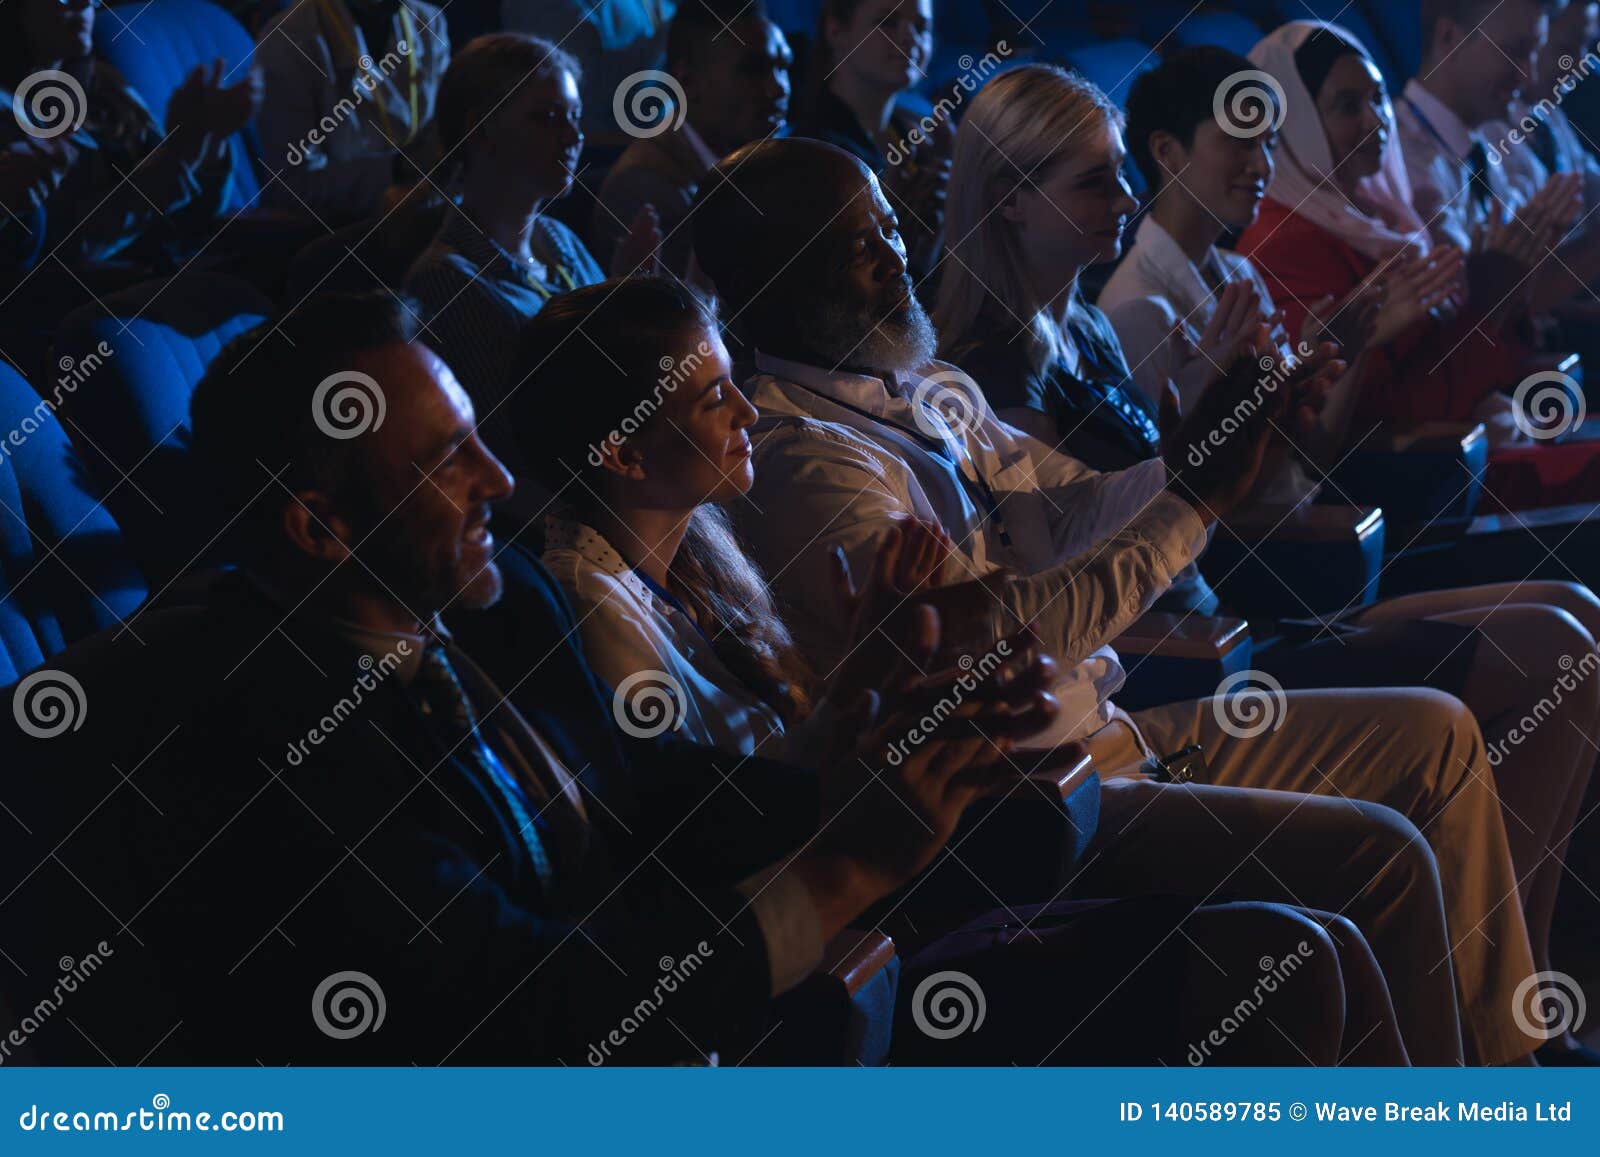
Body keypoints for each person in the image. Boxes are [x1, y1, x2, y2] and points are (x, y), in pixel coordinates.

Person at [3, 290, 1076, 1065]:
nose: (500, 479)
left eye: (478, 438)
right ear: (318, 526)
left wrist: (872, 765)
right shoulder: (256, 739)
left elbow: (638, 793)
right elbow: (529, 1009)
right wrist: (842, 870)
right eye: (445, 460)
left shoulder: (495, 599)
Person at [692, 134, 1551, 1065]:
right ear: (777, 276)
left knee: (1436, 733)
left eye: (892, 228)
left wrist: (1208, 449)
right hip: (1033, 802)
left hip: (1111, 724)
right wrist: (1196, 499)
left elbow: (1071, 509)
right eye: (856, 244)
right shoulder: (805, 462)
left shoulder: (923, 384)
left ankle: (1509, 1063)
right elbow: (1012, 641)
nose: (895, 256)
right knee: (1381, 852)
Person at [508, 274, 1412, 1066]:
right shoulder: (594, 608)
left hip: (940, 858)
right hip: (865, 941)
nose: (744, 409)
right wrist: (898, 686)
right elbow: (716, 833)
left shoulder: (699, 552)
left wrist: (877, 666)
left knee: (1331, 935)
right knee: (1293, 951)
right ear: (623, 450)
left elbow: (802, 754)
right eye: (713, 398)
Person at [932, 60, 1600, 1063]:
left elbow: (1192, 491)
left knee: (1567, 622)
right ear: (1010, 200)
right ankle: (1495, 1044)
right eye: (1094, 181)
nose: (1125, 196)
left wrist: (1259, 408)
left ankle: (1515, 1013)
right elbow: (1080, 577)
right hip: (1190, 653)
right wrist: (1220, 435)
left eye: (1120, 174)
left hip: (1226, 610)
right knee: (1541, 656)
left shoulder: (1080, 328)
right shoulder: (987, 376)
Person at [403, 33, 661, 482]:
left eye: (575, 117)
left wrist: (629, 295)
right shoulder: (445, 279)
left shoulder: (559, 240)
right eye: (549, 117)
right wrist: (625, 300)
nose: (574, 136)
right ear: (481, 129)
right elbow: (533, 437)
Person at [0, 0, 254, 266]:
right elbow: (65, 251)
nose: (84, 4)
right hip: (113, 284)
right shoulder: (8, 115)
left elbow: (191, 216)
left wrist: (208, 141)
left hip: (177, 266)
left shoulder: (104, 83)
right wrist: (178, 155)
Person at [592, 0, 792, 275]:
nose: (779, 88)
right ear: (686, 80)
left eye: (784, 66)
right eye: (754, 69)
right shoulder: (644, 191)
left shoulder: (768, 166)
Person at [791, 0, 948, 279]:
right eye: (888, 21)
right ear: (836, 31)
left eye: (921, 26)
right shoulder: (812, 149)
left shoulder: (921, 139)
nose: (909, 36)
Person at [255, 0, 448, 223]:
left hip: (423, 218)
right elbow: (291, 187)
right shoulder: (289, 37)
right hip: (341, 229)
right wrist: (398, 169)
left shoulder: (428, 21)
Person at [501, 0, 674, 142]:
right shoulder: (536, 5)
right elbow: (588, 88)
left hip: (661, 142)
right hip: (597, 158)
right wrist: (678, 28)